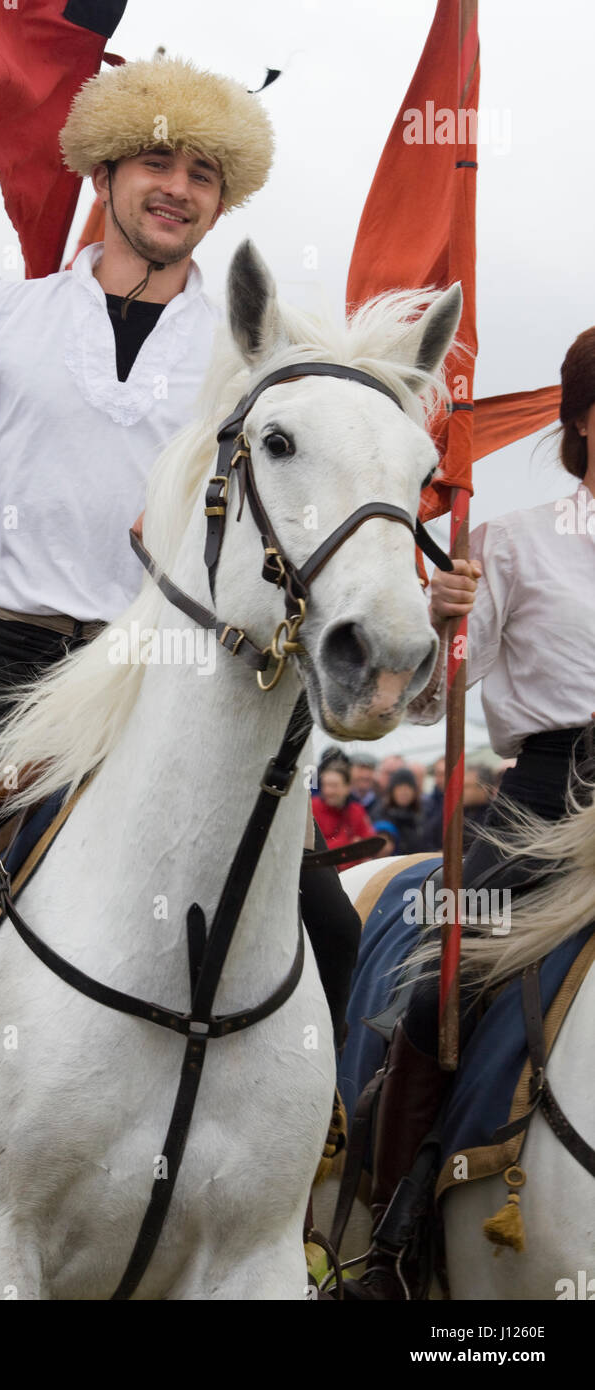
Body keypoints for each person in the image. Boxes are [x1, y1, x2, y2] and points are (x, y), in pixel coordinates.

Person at [0, 55, 362, 1275]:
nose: (177, 187)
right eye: (155, 160)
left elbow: (322, 478)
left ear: (222, 198)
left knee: (322, 912)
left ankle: (325, 1153)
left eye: (202, 172)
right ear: (103, 171)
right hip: (17, 663)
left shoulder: (249, 347)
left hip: (181, 679)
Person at [344, 324, 595, 1300]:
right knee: (442, 979)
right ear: (582, 420)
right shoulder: (509, 544)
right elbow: (412, 709)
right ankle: (397, 1225)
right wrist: (435, 625)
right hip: (544, 804)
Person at [312, 763, 375, 861]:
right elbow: (315, 852)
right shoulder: (313, 808)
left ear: (348, 787)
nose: (328, 791)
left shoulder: (356, 810)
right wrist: (348, 843)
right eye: (325, 785)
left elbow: (371, 845)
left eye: (334, 786)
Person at [376, 767, 423, 855]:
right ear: (392, 791)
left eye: (408, 787)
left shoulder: (421, 817)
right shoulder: (379, 815)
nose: (404, 792)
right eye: (400, 787)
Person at [418, 755, 444, 849]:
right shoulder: (428, 803)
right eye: (437, 774)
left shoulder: (464, 804)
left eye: (443, 774)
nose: (439, 779)